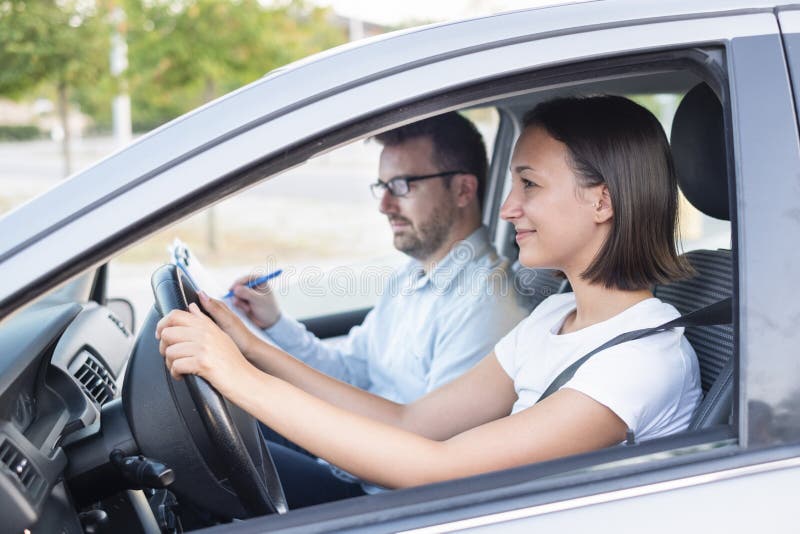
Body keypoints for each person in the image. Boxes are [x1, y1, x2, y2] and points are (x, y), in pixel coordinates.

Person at [156, 96, 703, 509]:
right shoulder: (556, 316)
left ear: (601, 200)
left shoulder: (639, 362)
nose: (507, 207)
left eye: (529, 184)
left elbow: (438, 468)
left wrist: (239, 378)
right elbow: (414, 422)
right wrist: (250, 347)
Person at [228, 112, 527, 407]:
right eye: (383, 187)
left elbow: (427, 440)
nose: (384, 205)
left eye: (401, 185)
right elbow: (349, 372)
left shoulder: (485, 305)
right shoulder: (409, 277)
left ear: (463, 190)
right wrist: (274, 323)